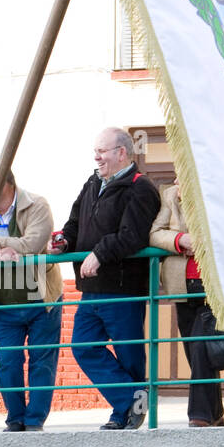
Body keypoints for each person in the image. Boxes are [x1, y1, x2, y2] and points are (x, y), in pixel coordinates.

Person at [50, 127, 159, 430]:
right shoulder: (92, 182)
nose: (96, 157)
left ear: (121, 152)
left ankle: (123, 412)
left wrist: (99, 253)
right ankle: (130, 399)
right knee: (83, 346)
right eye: (95, 151)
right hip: (92, 288)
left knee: (129, 354)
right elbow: (74, 224)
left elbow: (132, 236)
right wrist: (63, 242)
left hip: (123, 287)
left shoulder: (141, 188)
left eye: (102, 151)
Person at [0, 159, 62, 431]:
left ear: (3, 184)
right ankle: (15, 420)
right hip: (4, 303)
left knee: (42, 363)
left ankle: (34, 422)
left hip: (42, 300)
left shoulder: (37, 205)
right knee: (7, 364)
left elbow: (33, 244)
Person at [152, 179, 224, 428]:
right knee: (194, 352)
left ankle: (200, 416)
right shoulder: (170, 195)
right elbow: (154, 233)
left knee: (202, 346)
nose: (176, 180)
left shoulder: (218, 191)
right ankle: (215, 412)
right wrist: (180, 239)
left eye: (183, 174)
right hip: (182, 285)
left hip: (213, 285)